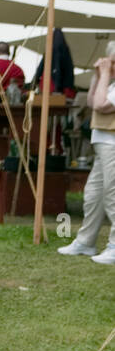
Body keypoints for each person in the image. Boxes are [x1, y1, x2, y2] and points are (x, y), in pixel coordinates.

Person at [58, 51, 115, 264]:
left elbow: (101, 105)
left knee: (112, 196)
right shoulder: (109, 84)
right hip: (104, 145)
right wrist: (96, 76)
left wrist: (105, 74)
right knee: (94, 195)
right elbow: (91, 102)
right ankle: (86, 242)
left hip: (112, 145)